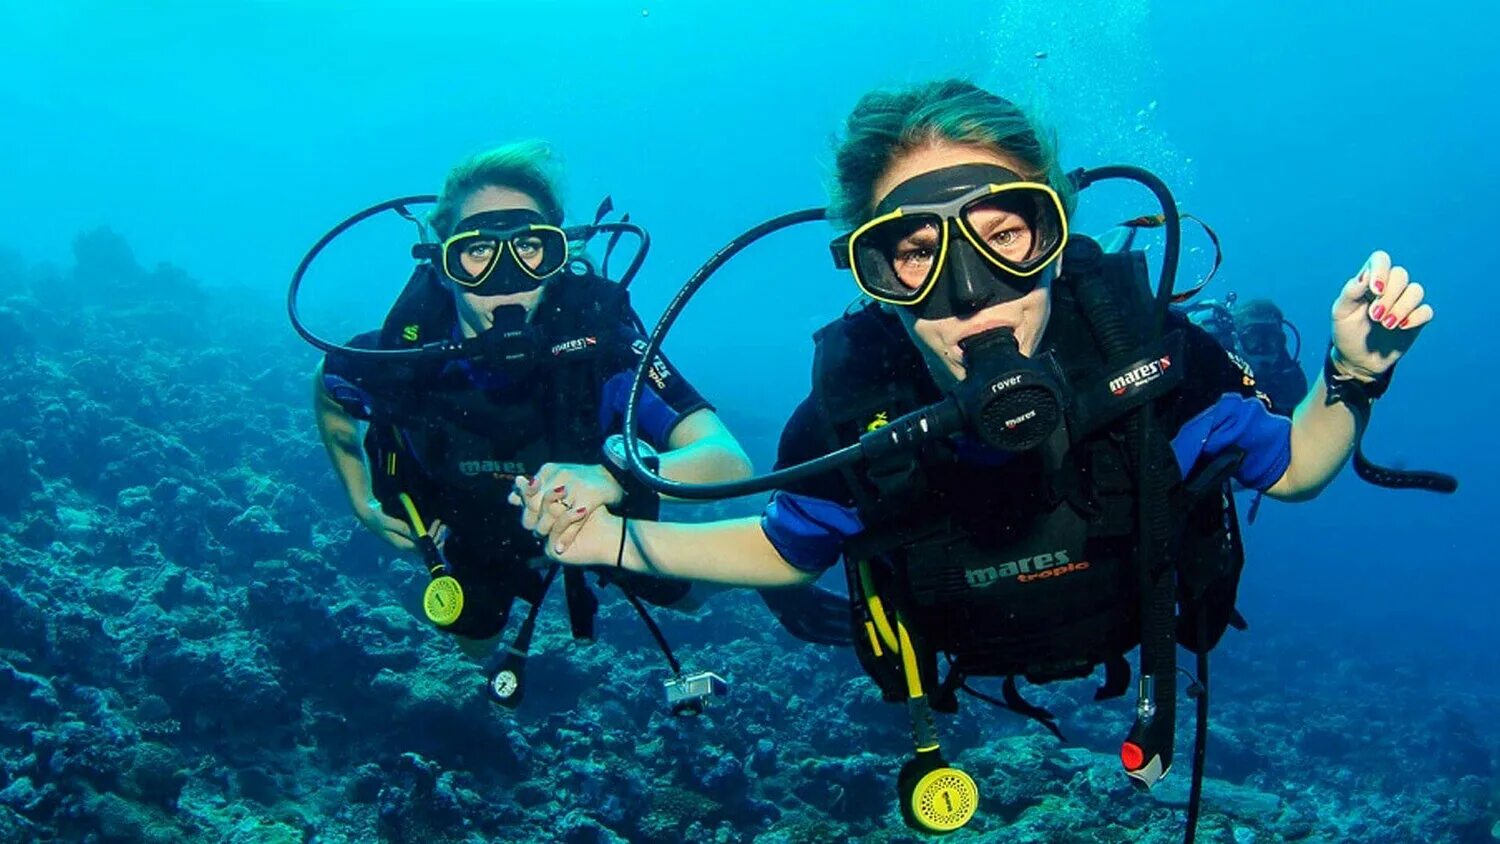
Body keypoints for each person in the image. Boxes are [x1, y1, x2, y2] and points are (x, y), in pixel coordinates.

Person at [515, 80, 1444, 837]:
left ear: (1057, 235)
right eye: (913, 254)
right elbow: (785, 545)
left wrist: (1351, 376)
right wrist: (613, 542)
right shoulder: (852, 413)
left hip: (1136, 636)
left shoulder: (1157, 362)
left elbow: (1293, 468)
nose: (968, 296)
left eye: (1004, 235)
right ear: (870, 277)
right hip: (961, 669)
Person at [311, 141, 762, 706]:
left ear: (559, 255)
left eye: (529, 247)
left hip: (602, 520)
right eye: (477, 252)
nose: (507, 279)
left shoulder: (603, 351)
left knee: (691, 595)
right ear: (442, 264)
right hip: (471, 525)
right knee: (473, 642)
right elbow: (329, 389)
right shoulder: (406, 357)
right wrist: (362, 502)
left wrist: (615, 478)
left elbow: (726, 459)